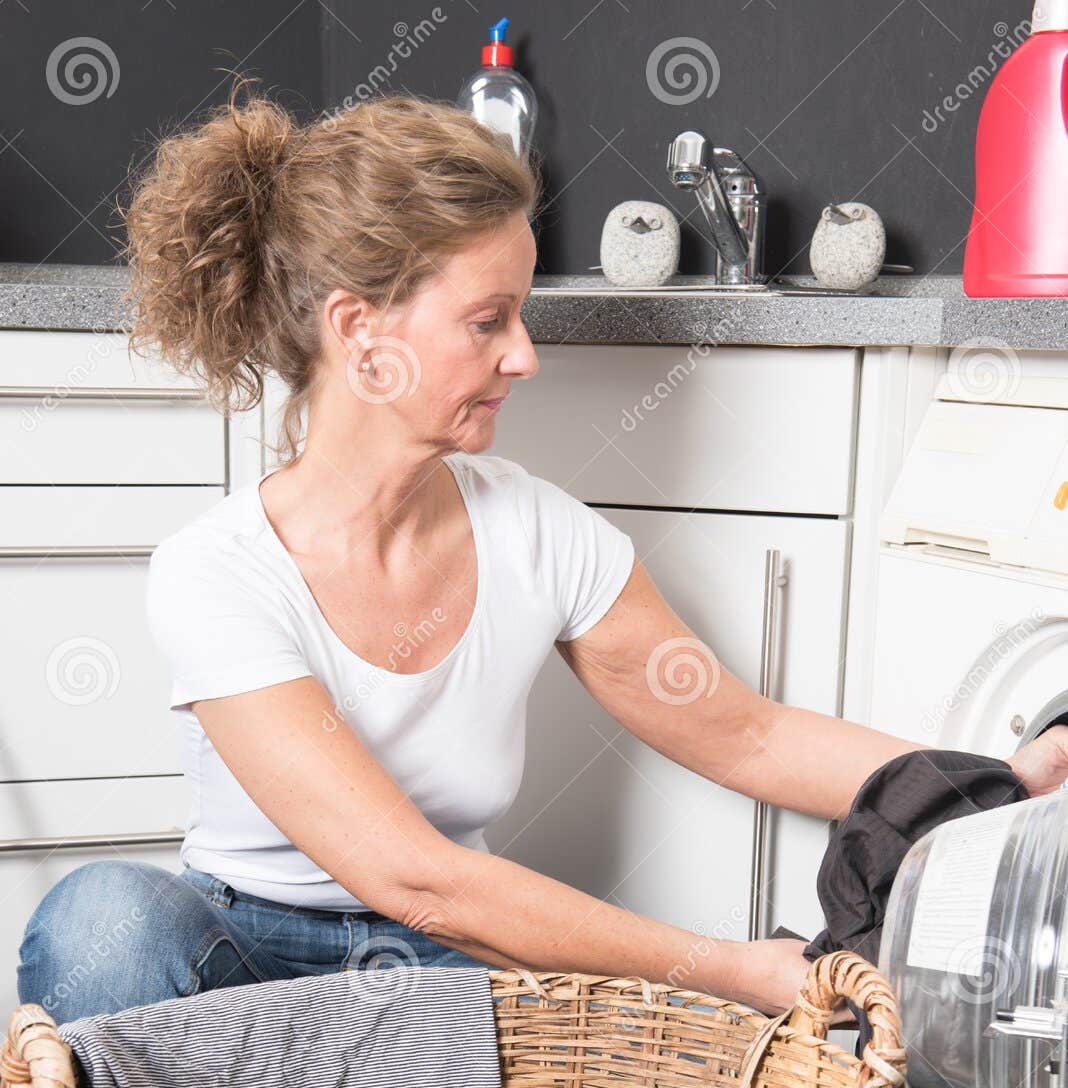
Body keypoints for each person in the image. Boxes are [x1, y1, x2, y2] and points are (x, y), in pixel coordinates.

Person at [17, 80, 1068, 1029]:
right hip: (238, 953)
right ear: (359, 331)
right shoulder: (221, 568)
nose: (524, 356)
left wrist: (985, 788)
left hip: (437, 967)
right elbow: (410, 873)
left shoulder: (538, 532)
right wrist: (728, 967)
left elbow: (744, 736)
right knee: (101, 921)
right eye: (489, 321)